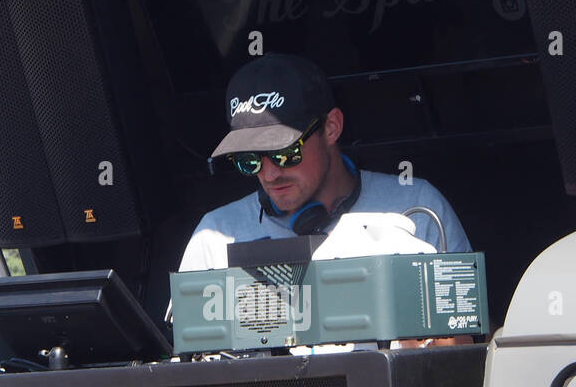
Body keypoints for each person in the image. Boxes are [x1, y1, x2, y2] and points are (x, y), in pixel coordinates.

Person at [178, 53, 471, 271]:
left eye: (284, 153)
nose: (269, 174)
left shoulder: (418, 207)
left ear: (331, 127)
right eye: (248, 160)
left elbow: (471, 341)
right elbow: (189, 353)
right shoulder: (214, 237)